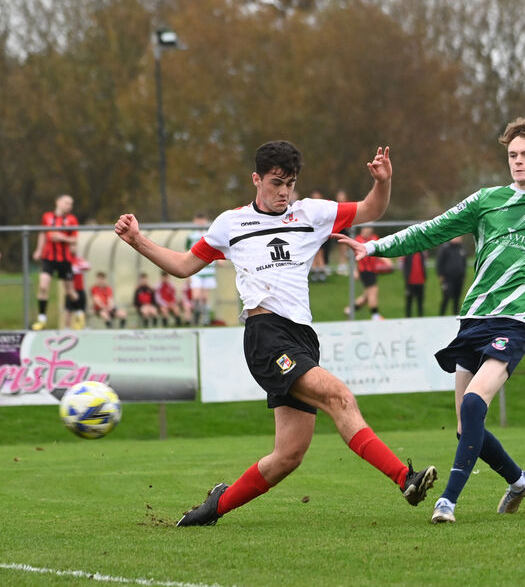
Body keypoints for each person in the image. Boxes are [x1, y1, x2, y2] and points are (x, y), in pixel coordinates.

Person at [335, 117, 525, 524]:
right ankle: (519, 480)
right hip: (474, 318)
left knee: (473, 403)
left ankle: (447, 501)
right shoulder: (487, 200)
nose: (518, 161)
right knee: (466, 429)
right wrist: (374, 247)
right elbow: (432, 231)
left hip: (515, 321)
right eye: (513, 154)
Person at [114, 140, 436, 526]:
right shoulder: (230, 223)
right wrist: (138, 241)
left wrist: (382, 182)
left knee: (288, 456)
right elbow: (184, 266)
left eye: (290, 183)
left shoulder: (311, 213)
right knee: (340, 397)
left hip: (302, 338)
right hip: (266, 336)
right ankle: (405, 478)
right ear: (257, 179)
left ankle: (214, 508)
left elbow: (371, 209)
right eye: (276, 183)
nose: (284, 192)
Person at [31, 194, 81, 330]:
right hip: (49, 258)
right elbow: (42, 233)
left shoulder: (71, 220)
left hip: (65, 259)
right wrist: (38, 250)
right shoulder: (47, 217)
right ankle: (42, 319)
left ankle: (79, 314)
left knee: (70, 292)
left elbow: (75, 240)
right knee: (43, 286)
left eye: (71, 204)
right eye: (67, 203)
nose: (69, 206)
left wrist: (61, 237)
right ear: (58, 202)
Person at [186, 213, 219, 324]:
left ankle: (205, 319)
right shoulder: (191, 236)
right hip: (195, 271)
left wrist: (219, 259)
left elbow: (216, 248)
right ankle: (196, 315)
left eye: (202, 220)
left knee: (204, 297)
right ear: (195, 221)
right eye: (198, 220)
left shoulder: (210, 234)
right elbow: (186, 252)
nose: (200, 222)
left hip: (208, 270)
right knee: (195, 296)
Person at [346, 226, 383, 320]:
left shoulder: (374, 238)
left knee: (367, 295)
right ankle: (375, 315)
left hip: (373, 270)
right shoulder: (358, 240)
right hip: (365, 270)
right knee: (373, 291)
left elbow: (380, 251)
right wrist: (355, 270)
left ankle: (350, 310)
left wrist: (387, 262)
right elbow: (353, 258)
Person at [436, 237, 467, 316]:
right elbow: (439, 262)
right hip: (448, 278)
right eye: (458, 237)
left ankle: (455, 316)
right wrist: (441, 275)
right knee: (446, 297)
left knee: (457, 298)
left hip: (459, 278)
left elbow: (464, 262)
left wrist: (463, 274)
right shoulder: (445, 248)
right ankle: (441, 316)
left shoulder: (461, 248)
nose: (459, 238)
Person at [402, 249, 427, 318]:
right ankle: (408, 318)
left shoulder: (421, 253)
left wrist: (424, 276)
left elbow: (423, 265)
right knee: (409, 301)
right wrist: (406, 278)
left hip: (420, 281)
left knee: (420, 302)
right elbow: (405, 267)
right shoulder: (408, 254)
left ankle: (420, 317)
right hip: (410, 282)